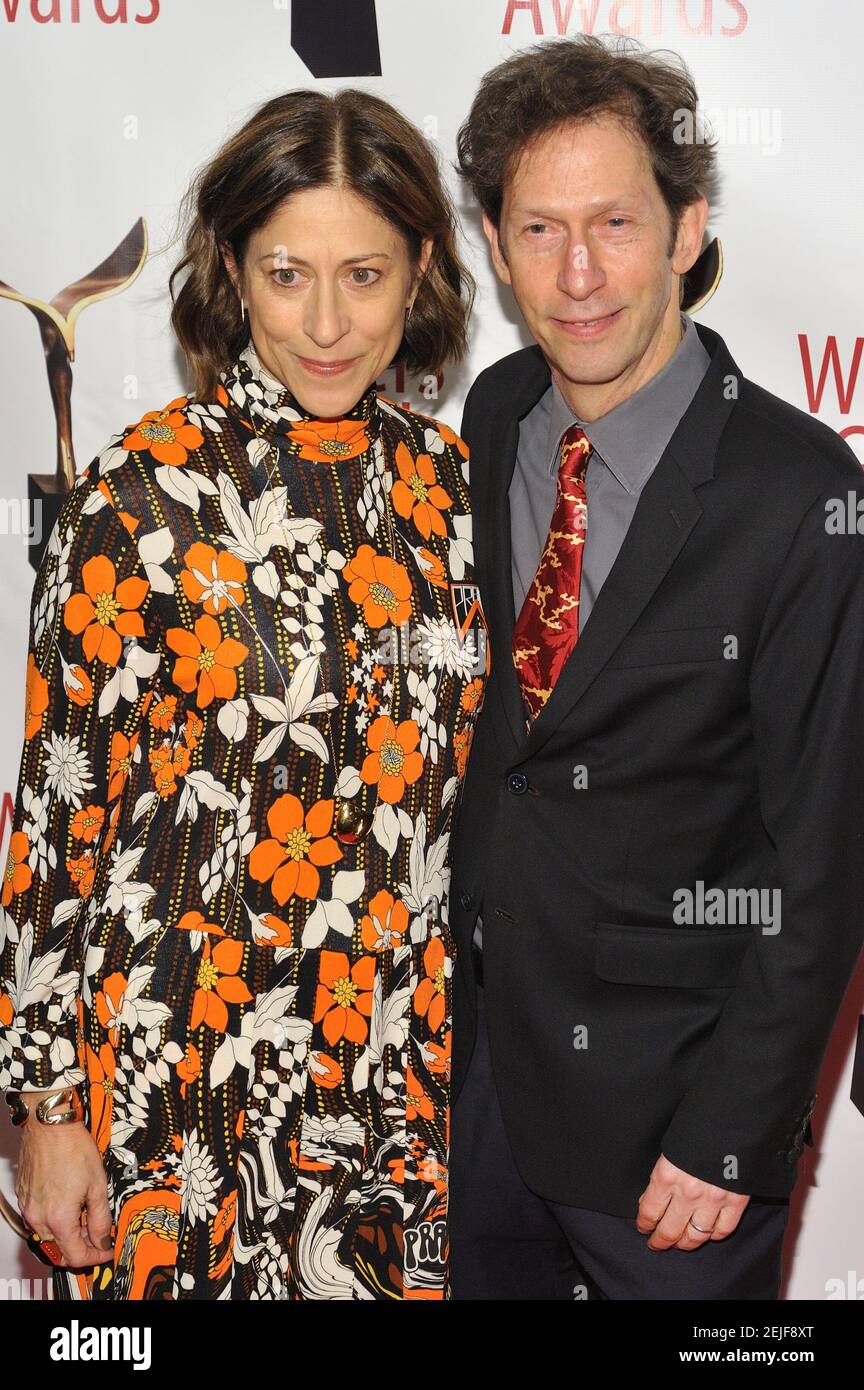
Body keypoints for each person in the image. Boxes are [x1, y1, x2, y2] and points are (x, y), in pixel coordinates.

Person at [0, 87, 484, 1300]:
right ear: (231, 267)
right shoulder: (139, 497)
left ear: (422, 269)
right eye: (286, 273)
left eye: (365, 275)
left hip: (395, 1087)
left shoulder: (457, 495)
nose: (326, 322)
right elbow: (59, 828)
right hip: (177, 1082)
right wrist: (48, 1107)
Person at [446, 34, 864, 1300]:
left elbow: (825, 857)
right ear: (495, 241)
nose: (578, 275)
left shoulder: (805, 498)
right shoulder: (497, 413)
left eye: (617, 223)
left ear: (687, 229)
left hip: (677, 1137)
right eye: (539, 230)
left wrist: (732, 1132)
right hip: (473, 1104)